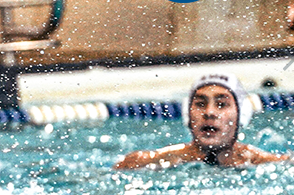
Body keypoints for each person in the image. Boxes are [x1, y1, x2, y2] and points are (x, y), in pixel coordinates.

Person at [115, 73, 289, 169]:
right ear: (188, 115)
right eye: (200, 104)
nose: (209, 112)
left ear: (240, 115)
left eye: (222, 104)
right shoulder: (147, 163)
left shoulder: (269, 164)